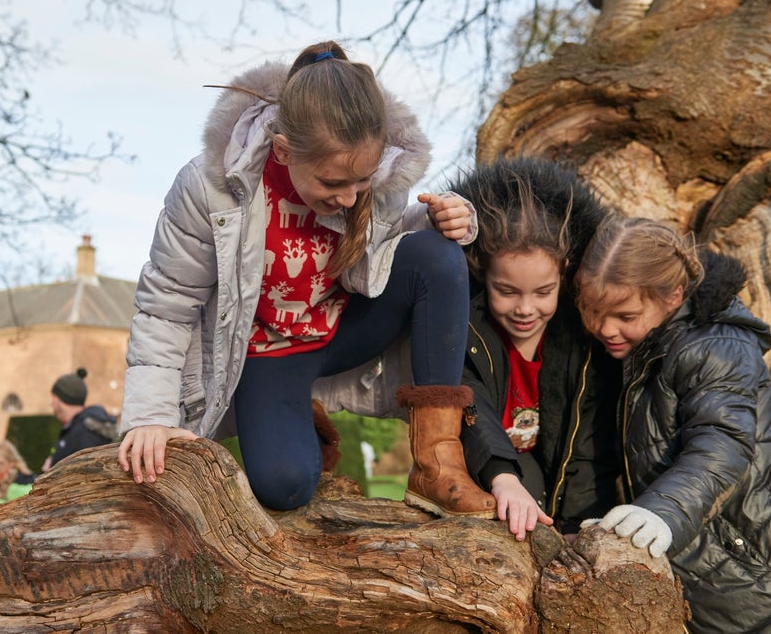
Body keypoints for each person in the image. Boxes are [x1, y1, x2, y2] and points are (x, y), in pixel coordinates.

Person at [117, 40, 495, 517]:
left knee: (440, 256)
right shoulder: (208, 189)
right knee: (285, 487)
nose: (349, 197)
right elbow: (166, 304)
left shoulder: (371, 181)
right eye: (332, 184)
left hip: (346, 329)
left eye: (361, 183)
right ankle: (298, 417)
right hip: (268, 354)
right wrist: (149, 417)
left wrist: (453, 221)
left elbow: (389, 252)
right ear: (283, 149)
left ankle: (437, 466)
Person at [574, 216, 771, 632]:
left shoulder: (714, 346)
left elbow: (723, 443)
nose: (605, 328)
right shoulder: (642, 348)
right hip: (727, 573)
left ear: (673, 296)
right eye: (592, 310)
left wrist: (663, 512)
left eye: (624, 314)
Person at [449, 159, 619, 542]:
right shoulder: (465, 330)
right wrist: (503, 477)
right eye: (507, 292)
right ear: (482, 276)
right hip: (486, 483)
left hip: (557, 492)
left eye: (543, 293)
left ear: (564, 276)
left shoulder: (582, 342)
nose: (526, 309)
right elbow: (468, 402)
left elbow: (587, 445)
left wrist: (579, 526)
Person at [41, 367, 118, 471]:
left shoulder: (84, 430)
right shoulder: (77, 427)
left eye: (53, 397)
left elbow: (84, 473)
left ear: (60, 399)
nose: (51, 403)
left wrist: (51, 470)